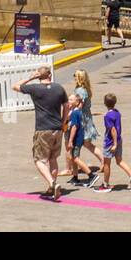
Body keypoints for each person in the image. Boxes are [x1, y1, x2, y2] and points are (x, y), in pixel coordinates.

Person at [11, 66, 68, 201]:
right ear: (50, 75)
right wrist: (63, 122)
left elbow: (15, 86)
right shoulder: (59, 88)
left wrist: (31, 77)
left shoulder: (35, 89)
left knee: (39, 160)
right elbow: (66, 105)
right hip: (57, 128)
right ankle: (51, 188)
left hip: (43, 129)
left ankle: (53, 184)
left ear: (39, 76)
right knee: (53, 159)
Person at [92, 93, 131, 192]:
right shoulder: (116, 112)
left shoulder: (108, 117)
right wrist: (98, 113)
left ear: (104, 103)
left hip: (110, 142)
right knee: (119, 161)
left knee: (106, 164)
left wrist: (114, 144)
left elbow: (113, 130)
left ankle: (105, 185)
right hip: (119, 139)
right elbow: (109, 115)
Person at [70, 69, 102, 175]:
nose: (74, 77)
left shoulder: (80, 91)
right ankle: (103, 161)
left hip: (82, 119)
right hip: (86, 117)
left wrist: (72, 113)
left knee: (85, 143)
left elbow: (79, 105)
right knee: (87, 143)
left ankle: (103, 161)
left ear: (79, 78)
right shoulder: (85, 89)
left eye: (75, 75)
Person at [65, 95, 97, 186]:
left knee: (75, 158)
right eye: (68, 99)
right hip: (78, 138)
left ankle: (91, 175)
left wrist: (70, 140)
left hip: (76, 139)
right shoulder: (77, 112)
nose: (69, 101)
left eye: (71, 100)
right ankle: (75, 177)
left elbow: (74, 127)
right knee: (73, 158)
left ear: (77, 102)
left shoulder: (75, 113)